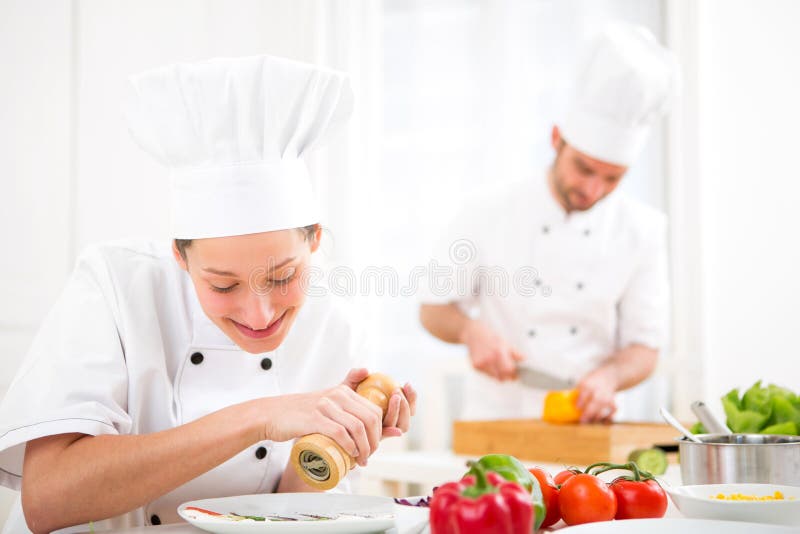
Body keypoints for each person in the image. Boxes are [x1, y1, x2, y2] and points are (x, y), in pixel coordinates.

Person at [0, 55, 416, 533]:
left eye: (282, 277)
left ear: (316, 239)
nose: (259, 314)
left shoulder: (335, 324)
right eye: (223, 284)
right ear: (180, 257)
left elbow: (284, 515)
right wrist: (260, 417)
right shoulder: (115, 284)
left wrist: (328, 448)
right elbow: (49, 497)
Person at [419, 23, 679, 423]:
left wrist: (610, 376)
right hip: (497, 422)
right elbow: (432, 309)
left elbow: (644, 348)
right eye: (584, 168)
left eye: (612, 178)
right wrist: (472, 333)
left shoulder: (643, 230)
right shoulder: (485, 209)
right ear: (557, 139)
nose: (592, 189)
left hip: (588, 427)